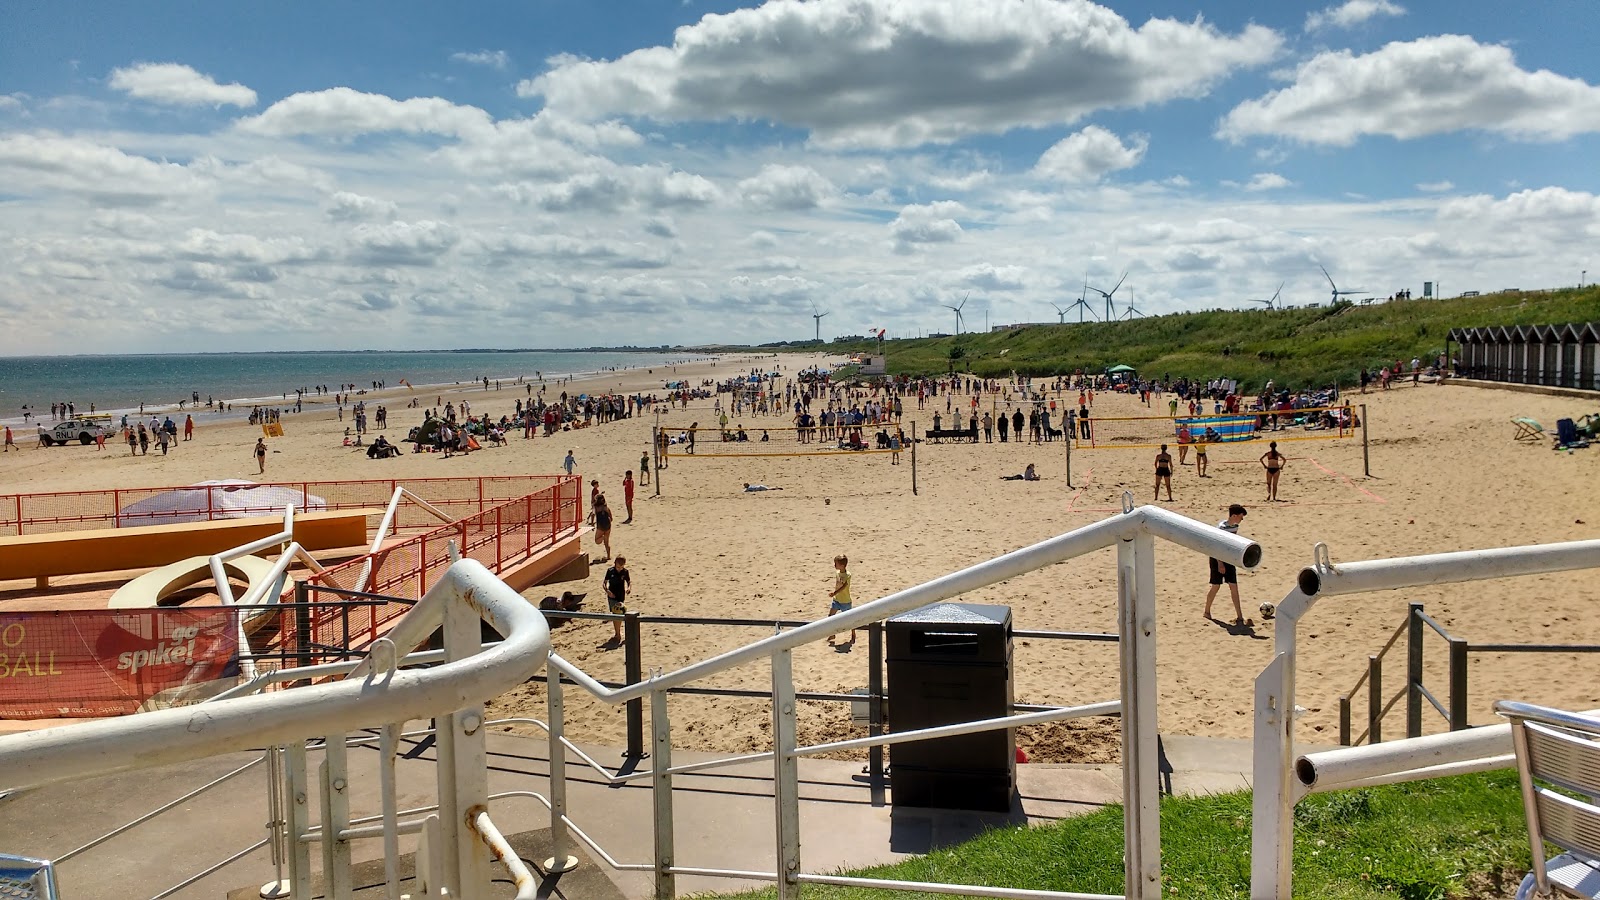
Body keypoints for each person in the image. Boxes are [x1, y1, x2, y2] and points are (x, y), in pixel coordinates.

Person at [1204, 505, 1248, 625]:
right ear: (1234, 516)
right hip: (1216, 558)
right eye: (1240, 517)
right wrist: (1220, 564)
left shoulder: (1235, 526)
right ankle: (1206, 612)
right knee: (1216, 586)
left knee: (1233, 586)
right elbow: (1216, 547)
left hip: (1228, 559)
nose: (1241, 520)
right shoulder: (1221, 528)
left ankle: (1240, 617)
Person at [826, 554, 855, 645]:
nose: (834, 565)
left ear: (842, 565)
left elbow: (844, 586)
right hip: (837, 600)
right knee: (830, 616)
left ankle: (853, 633)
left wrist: (834, 593)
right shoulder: (837, 573)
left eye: (836, 563)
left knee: (850, 619)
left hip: (845, 601)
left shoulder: (848, 575)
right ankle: (832, 634)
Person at [603, 556, 630, 644]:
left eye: (621, 567)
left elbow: (629, 581)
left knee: (620, 613)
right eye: (618, 567)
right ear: (615, 564)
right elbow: (604, 583)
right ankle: (617, 633)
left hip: (621, 595)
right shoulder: (610, 571)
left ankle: (618, 633)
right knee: (615, 613)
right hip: (612, 596)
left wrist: (629, 588)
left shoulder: (625, 572)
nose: (619, 569)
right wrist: (607, 591)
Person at [593, 494, 613, 561]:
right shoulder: (605, 506)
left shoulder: (596, 507)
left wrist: (592, 523)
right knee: (606, 543)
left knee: (597, 540)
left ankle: (603, 537)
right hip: (608, 524)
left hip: (600, 525)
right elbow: (610, 515)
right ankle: (608, 556)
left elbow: (593, 514)